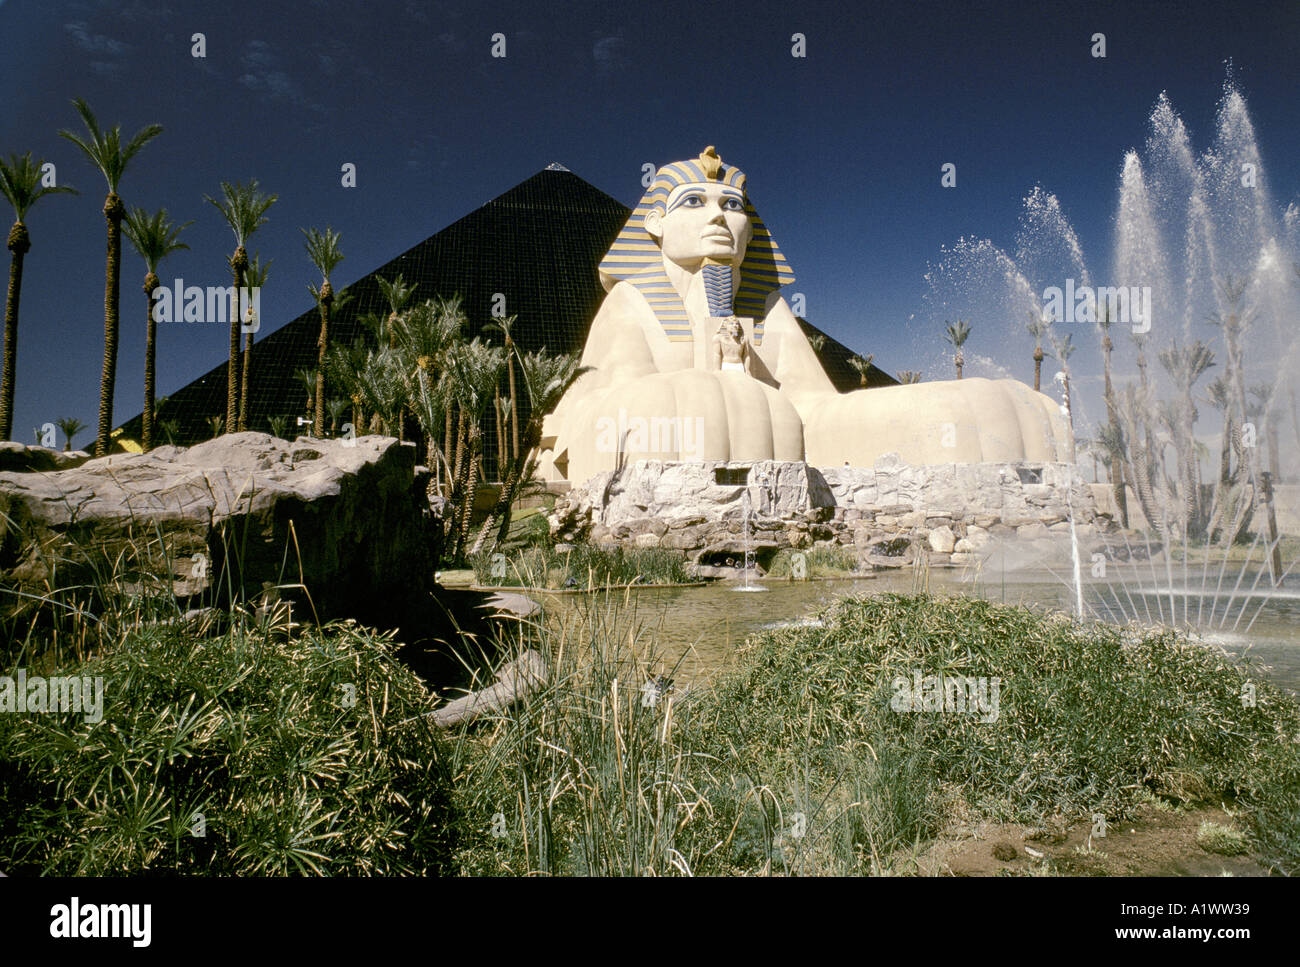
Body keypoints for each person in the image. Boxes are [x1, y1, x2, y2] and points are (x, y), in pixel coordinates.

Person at [538, 147, 1068, 486]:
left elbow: (814, 411)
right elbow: (606, 406)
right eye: (695, 202)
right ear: (653, 224)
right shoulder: (632, 300)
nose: (721, 216)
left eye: (734, 205)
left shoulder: (765, 309)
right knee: (677, 401)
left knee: (962, 404)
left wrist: (931, 412)